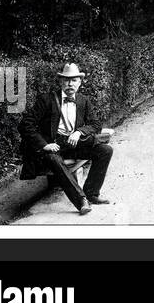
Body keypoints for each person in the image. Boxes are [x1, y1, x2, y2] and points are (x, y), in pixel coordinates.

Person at [18, 63, 114, 214]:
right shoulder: (47, 100)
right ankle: (81, 200)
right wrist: (44, 145)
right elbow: (25, 125)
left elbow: (96, 124)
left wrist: (79, 132)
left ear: (80, 82)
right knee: (55, 160)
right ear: (60, 82)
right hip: (52, 147)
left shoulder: (83, 100)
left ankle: (92, 194)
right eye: (66, 80)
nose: (70, 84)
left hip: (73, 145)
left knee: (105, 150)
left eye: (74, 80)